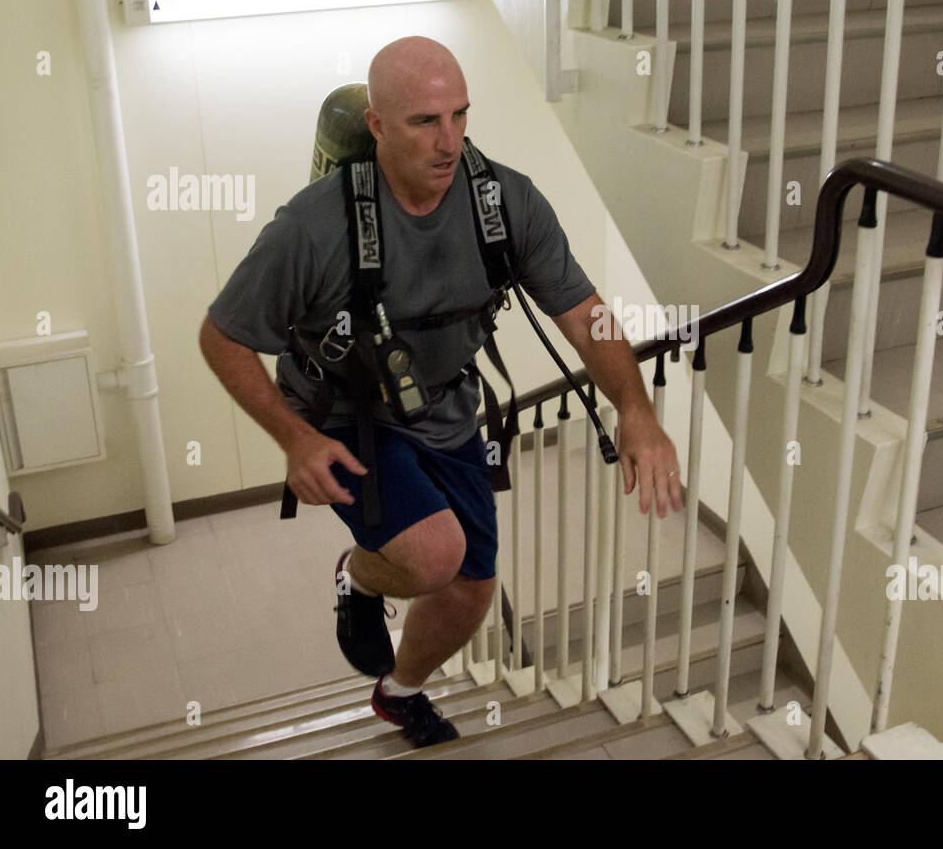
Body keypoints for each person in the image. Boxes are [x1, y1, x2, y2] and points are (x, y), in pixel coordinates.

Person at [198, 36, 683, 748]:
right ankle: (364, 577)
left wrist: (635, 409)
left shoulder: (505, 202)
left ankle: (399, 689)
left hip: (444, 402)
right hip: (346, 411)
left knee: (470, 590)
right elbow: (222, 336)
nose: (449, 139)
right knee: (432, 554)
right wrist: (294, 437)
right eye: (425, 120)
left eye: (459, 115)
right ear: (378, 126)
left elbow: (585, 312)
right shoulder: (313, 227)